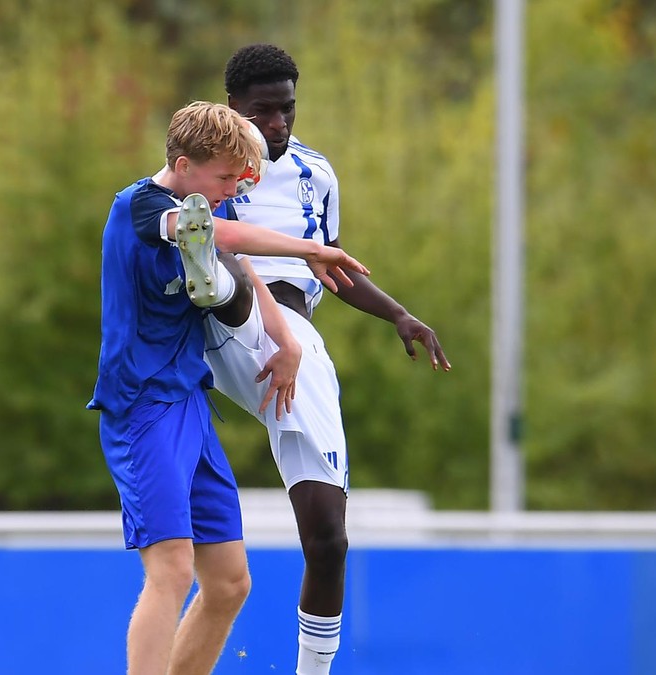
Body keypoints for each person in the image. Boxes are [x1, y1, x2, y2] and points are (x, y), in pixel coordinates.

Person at [87, 101, 369, 675]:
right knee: (171, 572)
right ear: (185, 165)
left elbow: (230, 253)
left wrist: (283, 338)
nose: (230, 188)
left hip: (190, 400)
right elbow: (200, 228)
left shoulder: (200, 215)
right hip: (142, 407)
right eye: (223, 178)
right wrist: (309, 247)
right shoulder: (143, 205)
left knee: (230, 582)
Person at [208, 44, 451, 675]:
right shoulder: (205, 170)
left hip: (294, 352)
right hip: (228, 325)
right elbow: (216, 236)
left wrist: (399, 313)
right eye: (263, 112)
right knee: (214, 263)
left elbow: (332, 263)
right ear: (233, 109)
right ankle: (214, 296)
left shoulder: (317, 174)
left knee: (328, 538)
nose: (278, 124)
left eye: (287, 109)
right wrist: (277, 330)